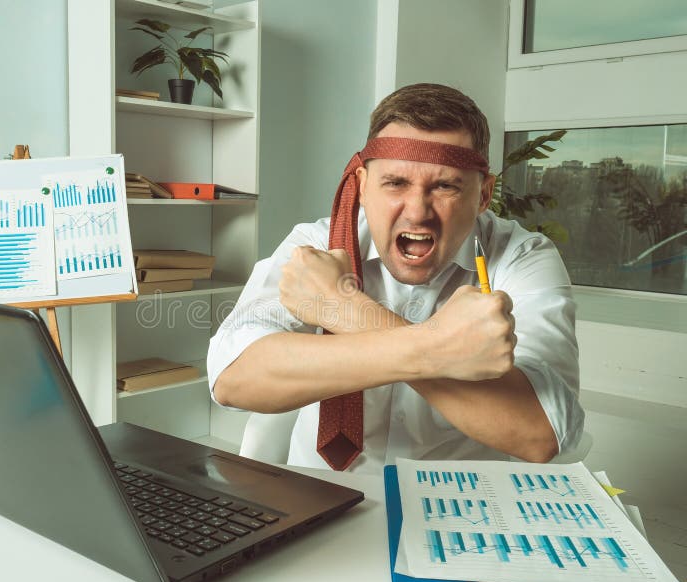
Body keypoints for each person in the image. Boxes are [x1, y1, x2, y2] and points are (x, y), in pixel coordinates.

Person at [207, 83, 583, 473]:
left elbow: (541, 434)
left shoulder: (523, 257)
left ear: (484, 194)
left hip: (459, 508)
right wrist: (438, 349)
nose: (418, 212)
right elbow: (232, 376)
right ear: (362, 186)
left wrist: (345, 309)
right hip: (321, 496)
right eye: (396, 183)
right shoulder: (316, 246)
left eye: (445, 185)